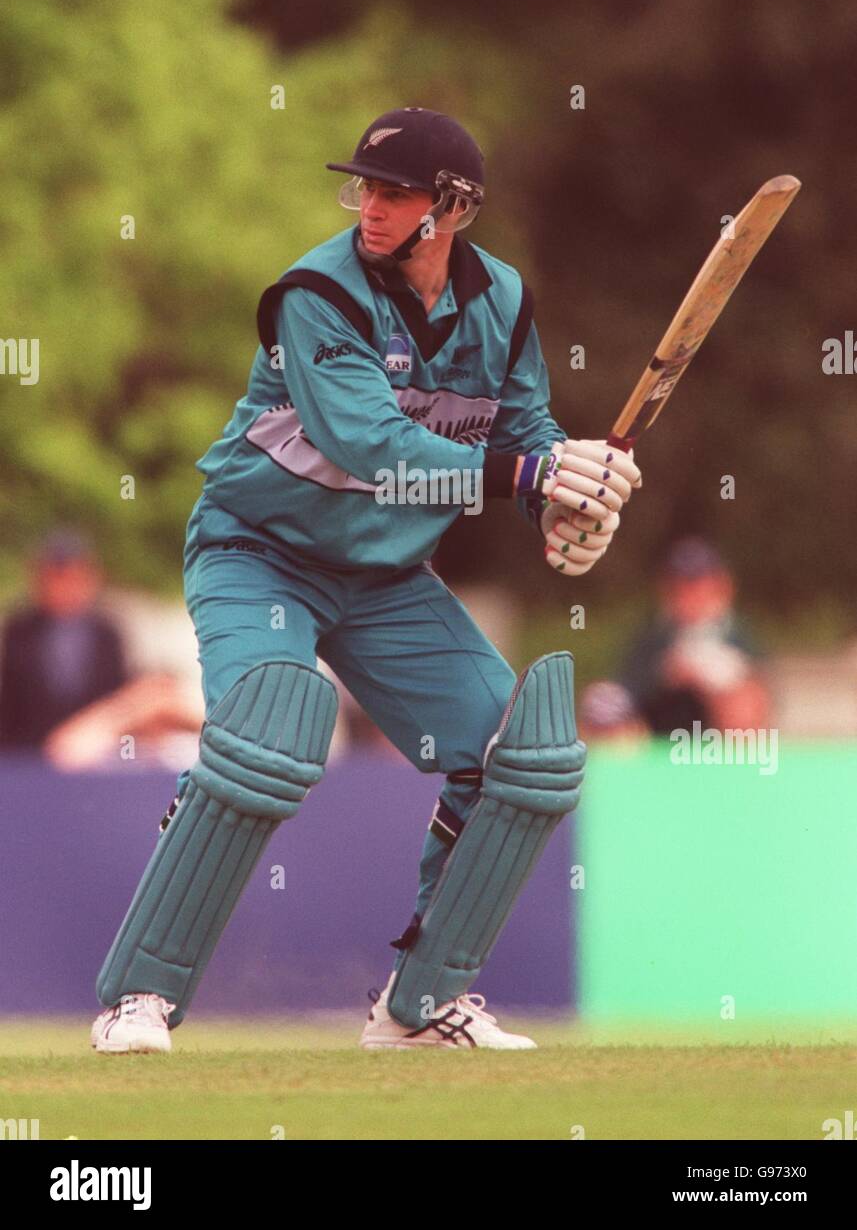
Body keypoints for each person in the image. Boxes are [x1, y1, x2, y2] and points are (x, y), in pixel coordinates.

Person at [90, 106, 641, 1054]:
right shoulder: (317, 293)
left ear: (453, 207)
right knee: (267, 731)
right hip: (256, 549)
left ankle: (420, 1008)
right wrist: (527, 475)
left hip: (384, 573)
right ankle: (137, 1000)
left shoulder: (502, 301)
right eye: (364, 188)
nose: (370, 208)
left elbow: (521, 436)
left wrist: (566, 497)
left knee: (522, 758)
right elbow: (376, 448)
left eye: (395, 193)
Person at [620, 537, 770, 735]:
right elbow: (625, 695)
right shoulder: (652, 639)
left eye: (698, 586)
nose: (690, 597)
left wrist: (714, 686)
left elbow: (763, 702)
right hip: (661, 741)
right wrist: (666, 677)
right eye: (681, 588)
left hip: (718, 745)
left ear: (721, 587)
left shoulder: (740, 637)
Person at [0, 530, 129, 756]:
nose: (64, 588)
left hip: (94, 753)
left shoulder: (107, 632)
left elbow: (119, 699)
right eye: (56, 578)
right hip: (30, 753)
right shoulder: (19, 630)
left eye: (73, 578)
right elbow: (12, 700)